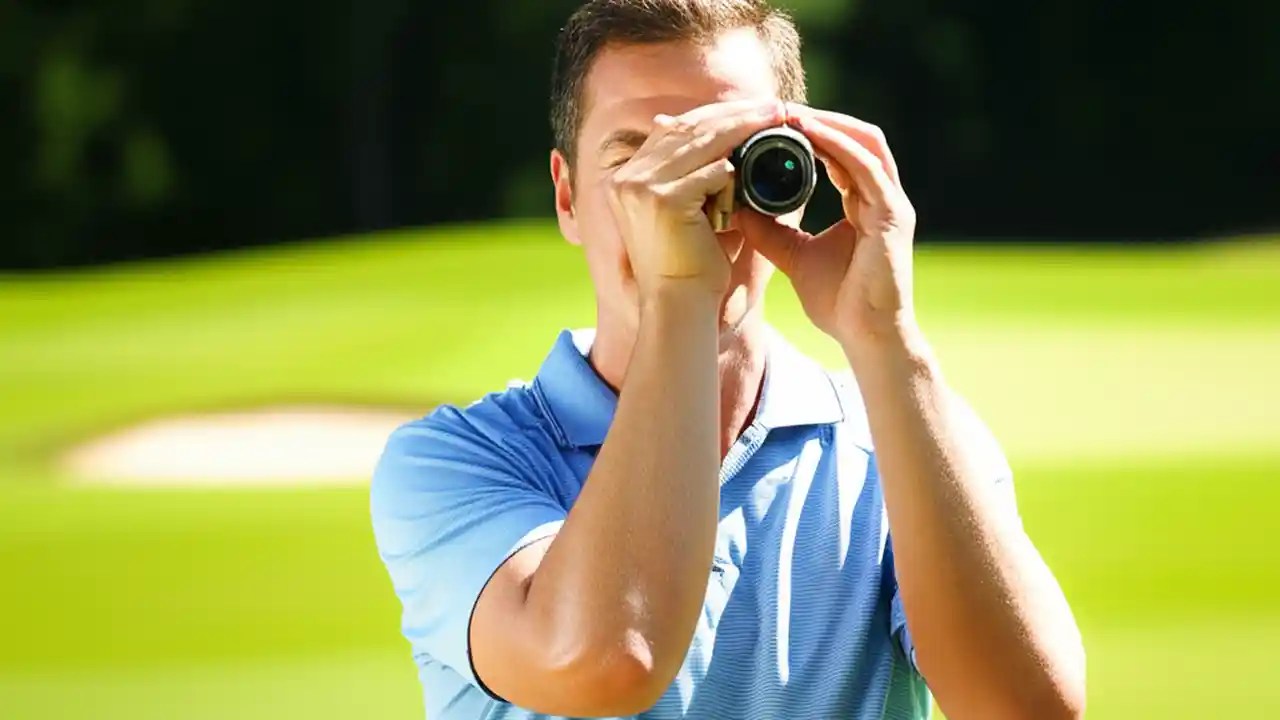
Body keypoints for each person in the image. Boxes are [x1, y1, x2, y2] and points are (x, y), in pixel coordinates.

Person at [370, 1, 1086, 718]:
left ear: (801, 185)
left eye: (737, 163)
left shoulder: (904, 436)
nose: (694, 205)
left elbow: (1029, 709)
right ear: (567, 196)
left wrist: (888, 343)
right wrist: (679, 294)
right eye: (642, 164)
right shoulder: (456, 463)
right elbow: (605, 662)